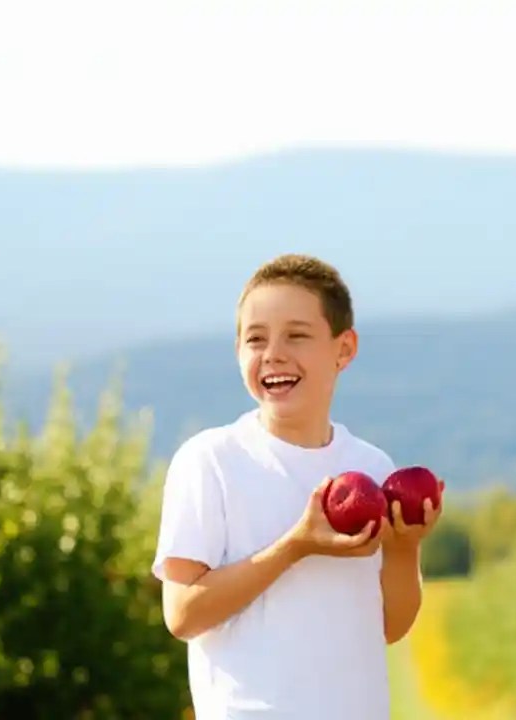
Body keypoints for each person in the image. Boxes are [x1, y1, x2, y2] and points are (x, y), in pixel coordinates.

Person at [151, 253, 442, 719]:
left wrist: (406, 548)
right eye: (256, 339)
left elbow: (389, 626)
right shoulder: (210, 461)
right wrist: (295, 546)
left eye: (297, 336)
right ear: (238, 353)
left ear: (343, 350)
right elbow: (183, 614)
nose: (274, 353)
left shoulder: (371, 466)